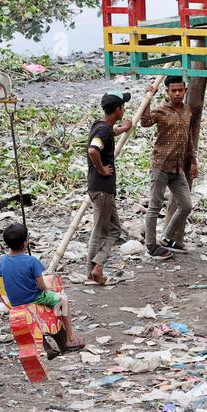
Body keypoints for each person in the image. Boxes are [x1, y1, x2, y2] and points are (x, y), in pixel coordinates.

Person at [0, 222, 84, 348]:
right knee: (63, 300)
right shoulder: (32, 261)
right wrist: (47, 288)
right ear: (25, 243)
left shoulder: (2, 260)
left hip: (14, 301)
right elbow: (41, 287)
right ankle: (70, 338)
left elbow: (4, 277)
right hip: (33, 298)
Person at [140, 75, 196, 256]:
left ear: (185, 90)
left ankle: (167, 237)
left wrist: (193, 161)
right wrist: (148, 99)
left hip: (178, 167)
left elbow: (188, 140)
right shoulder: (161, 111)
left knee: (186, 205)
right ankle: (151, 245)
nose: (178, 94)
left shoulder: (187, 111)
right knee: (155, 207)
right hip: (161, 165)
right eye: (174, 91)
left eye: (180, 90)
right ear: (168, 92)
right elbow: (145, 122)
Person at [86, 91, 134, 283]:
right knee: (100, 231)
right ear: (118, 109)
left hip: (101, 188)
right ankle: (93, 271)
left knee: (115, 230)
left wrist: (123, 129)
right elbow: (93, 150)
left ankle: (97, 267)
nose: (124, 109)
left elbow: (107, 134)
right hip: (102, 188)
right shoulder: (103, 130)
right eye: (123, 107)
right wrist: (102, 169)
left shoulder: (101, 126)